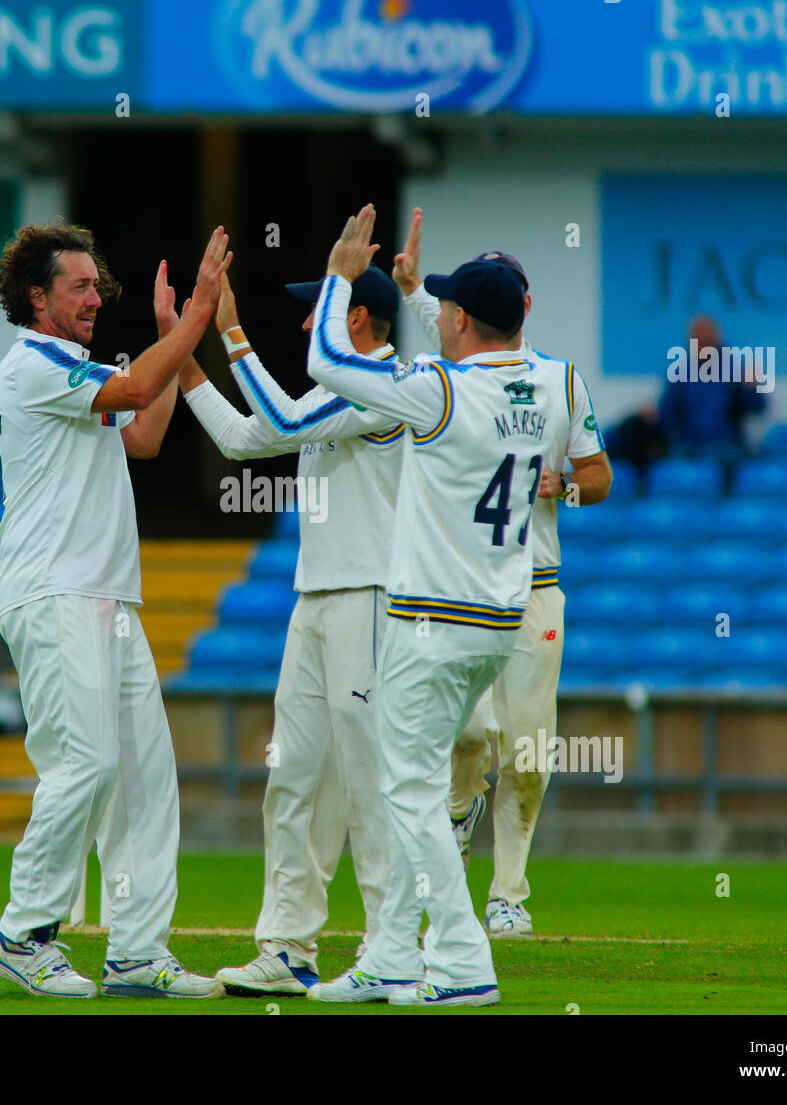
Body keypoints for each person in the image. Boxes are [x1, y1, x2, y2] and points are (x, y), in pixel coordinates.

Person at [303, 205, 574, 1008]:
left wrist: (338, 277)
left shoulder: (439, 390)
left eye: (447, 309)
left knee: (409, 795)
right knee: (415, 786)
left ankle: (459, 963)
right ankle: (390, 958)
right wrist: (419, 296)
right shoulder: (547, 388)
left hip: (434, 619)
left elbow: (325, 362)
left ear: (458, 320)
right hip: (496, 618)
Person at [0, 218, 231, 1000]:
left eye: (97, 285)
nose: (96, 298)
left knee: (146, 779)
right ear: (37, 296)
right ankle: (24, 934)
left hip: (108, 596)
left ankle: (135, 952)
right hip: (55, 590)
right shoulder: (31, 365)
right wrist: (197, 315)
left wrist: (174, 338)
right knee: (84, 763)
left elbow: (142, 435)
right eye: (79, 287)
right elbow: (132, 390)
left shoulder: (74, 369)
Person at [180, 266, 403, 995]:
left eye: (320, 313)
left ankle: (388, 950)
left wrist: (230, 329)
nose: (309, 325)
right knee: (295, 778)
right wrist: (181, 356)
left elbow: (274, 424)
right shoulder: (330, 392)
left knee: (370, 779)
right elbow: (249, 440)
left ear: (359, 317)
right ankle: (287, 947)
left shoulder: (390, 386)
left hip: (372, 598)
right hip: (315, 601)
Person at [392, 208, 611, 939]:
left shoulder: (559, 381)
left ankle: (508, 891)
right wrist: (409, 284)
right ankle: (456, 815)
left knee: (528, 749)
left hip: (535, 584)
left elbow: (599, 476)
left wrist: (564, 487)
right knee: (461, 736)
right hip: (462, 585)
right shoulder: (461, 368)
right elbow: (440, 321)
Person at [658, 314, 766, 477]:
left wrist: (751, 389)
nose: (703, 345)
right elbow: (666, 414)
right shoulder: (679, 372)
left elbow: (758, 408)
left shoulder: (734, 369)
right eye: (698, 340)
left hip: (727, 447)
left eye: (707, 339)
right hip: (689, 447)